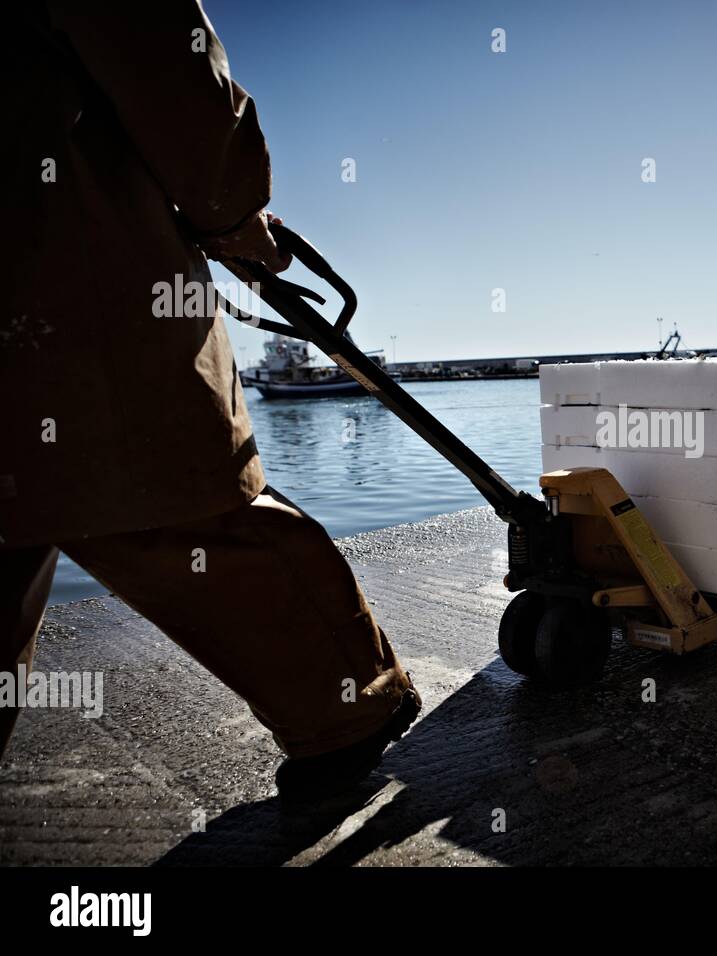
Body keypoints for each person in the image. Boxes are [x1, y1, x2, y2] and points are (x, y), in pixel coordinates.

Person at [1, 1, 419, 802]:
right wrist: (231, 210)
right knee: (167, 484)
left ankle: (347, 707)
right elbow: (162, 52)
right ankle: (347, 703)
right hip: (67, 255)